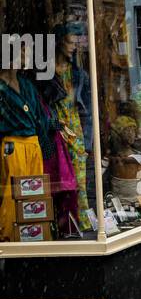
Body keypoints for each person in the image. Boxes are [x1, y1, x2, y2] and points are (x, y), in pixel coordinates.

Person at [0, 67, 57, 241]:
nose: (26, 53)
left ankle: (34, 237)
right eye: (21, 49)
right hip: (13, 143)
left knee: (34, 194)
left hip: (32, 143)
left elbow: (40, 116)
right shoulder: (2, 86)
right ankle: (8, 238)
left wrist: (50, 127)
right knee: (12, 193)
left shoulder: (26, 84)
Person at [47, 25, 93, 235]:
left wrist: (90, 141)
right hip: (56, 129)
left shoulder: (78, 74)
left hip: (74, 128)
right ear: (58, 42)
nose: (74, 47)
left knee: (79, 180)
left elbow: (88, 110)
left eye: (76, 43)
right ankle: (61, 224)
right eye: (70, 42)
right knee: (60, 180)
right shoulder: (46, 73)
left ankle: (79, 222)